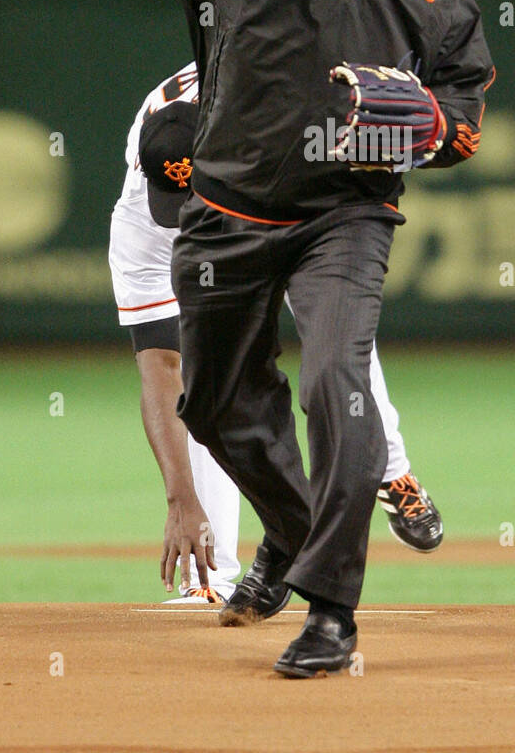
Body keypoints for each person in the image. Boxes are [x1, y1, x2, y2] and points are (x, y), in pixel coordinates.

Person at [48, 0, 493, 675]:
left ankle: (331, 610)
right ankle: (293, 535)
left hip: (345, 215)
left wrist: (437, 123)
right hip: (228, 206)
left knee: (337, 380)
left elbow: (464, 115)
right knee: (211, 399)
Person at [108, 60, 447, 608]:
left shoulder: (280, 125)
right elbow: (161, 369)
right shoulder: (143, 212)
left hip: (284, 188)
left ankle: (392, 469)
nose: (182, 212)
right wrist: (180, 498)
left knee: (333, 333)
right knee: (208, 372)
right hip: (240, 180)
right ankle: (212, 577)